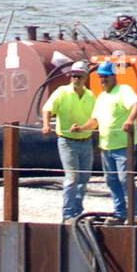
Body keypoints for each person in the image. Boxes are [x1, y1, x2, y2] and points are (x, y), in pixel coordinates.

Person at [80, 61, 137, 223]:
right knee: (112, 181)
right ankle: (120, 214)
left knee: (125, 179)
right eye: (100, 77)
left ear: (113, 77)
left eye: (105, 77)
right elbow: (94, 120)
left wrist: (130, 120)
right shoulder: (102, 97)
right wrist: (82, 129)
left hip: (123, 146)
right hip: (106, 147)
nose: (102, 80)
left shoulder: (123, 91)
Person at [41, 62, 96, 221]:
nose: (75, 79)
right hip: (67, 141)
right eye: (73, 76)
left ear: (85, 78)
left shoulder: (90, 96)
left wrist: (82, 128)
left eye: (79, 76)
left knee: (84, 179)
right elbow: (47, 109)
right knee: (72, 178)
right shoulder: (62, 92)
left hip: (86, 141)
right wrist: (45, 125)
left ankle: (77, 211)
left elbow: (95, 118)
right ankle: (67, 213)